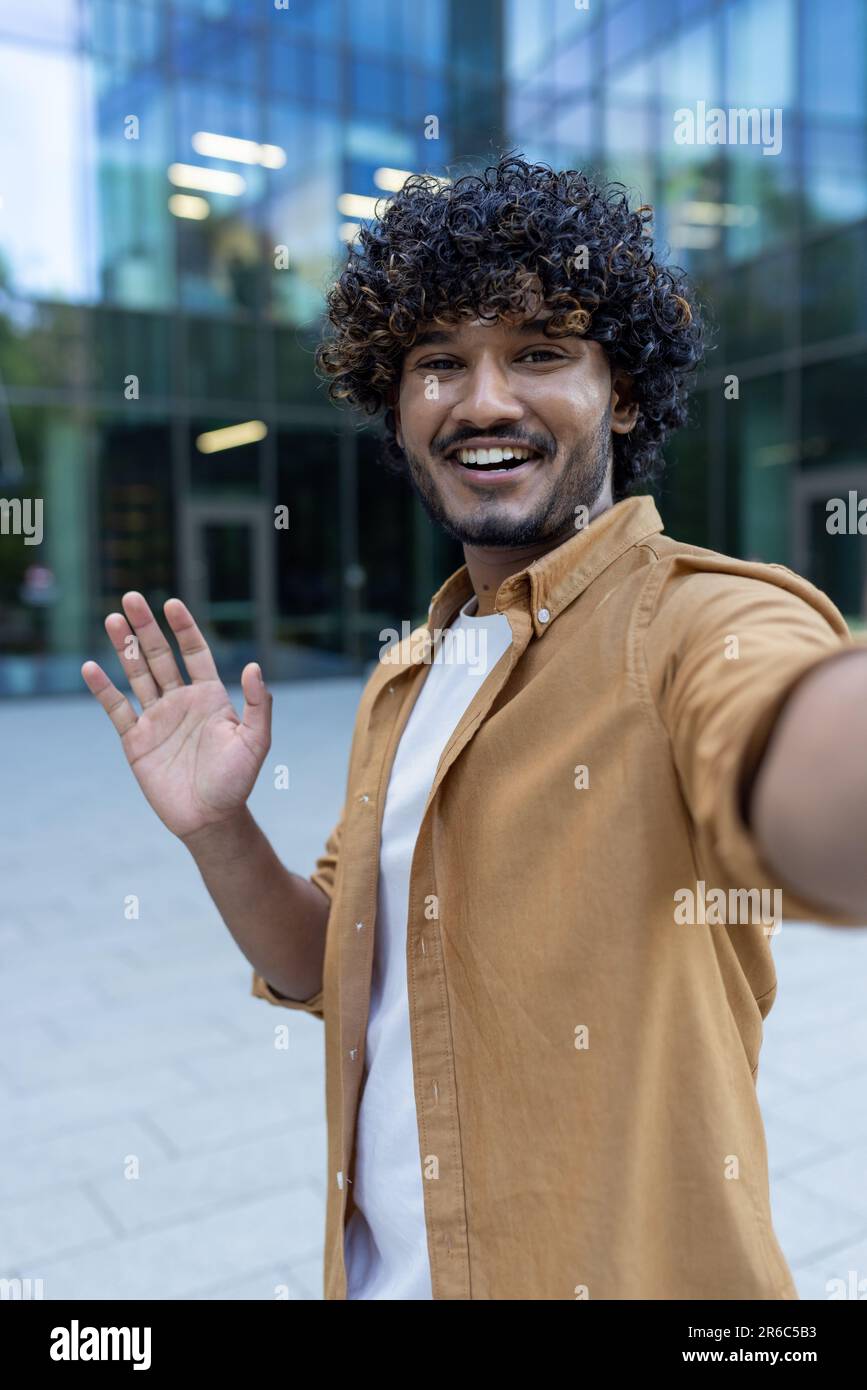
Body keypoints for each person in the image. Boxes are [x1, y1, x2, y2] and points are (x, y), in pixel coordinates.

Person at [82, 155, 867, 1301]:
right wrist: (216, 828)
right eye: (439, 363)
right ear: (395, 410)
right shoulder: (407, 675)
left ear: (627, 392)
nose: (485, 400)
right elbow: (319, 963)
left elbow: (792, 747)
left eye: (541, 352)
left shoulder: (701, 619)